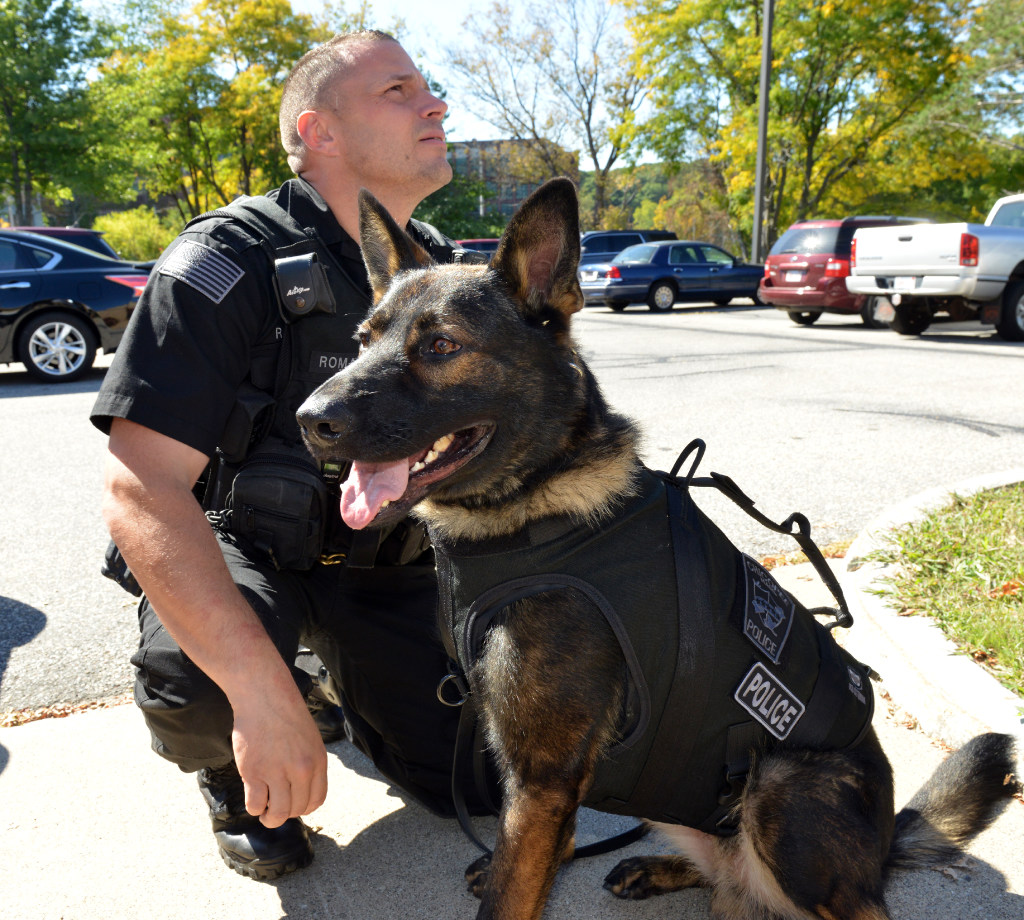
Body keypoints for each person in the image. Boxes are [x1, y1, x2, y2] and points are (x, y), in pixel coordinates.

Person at [92, 30, 489, 881]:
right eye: (398, 91)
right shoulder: (222, 262)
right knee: (195, 681)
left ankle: (329, 675)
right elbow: (140, 488)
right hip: (246, 549)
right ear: (320, 133)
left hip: (384, 562)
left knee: (478, 784)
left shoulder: (439, 272)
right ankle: (238, 757)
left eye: (429, 89)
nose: (436, 105)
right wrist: (256, 691)